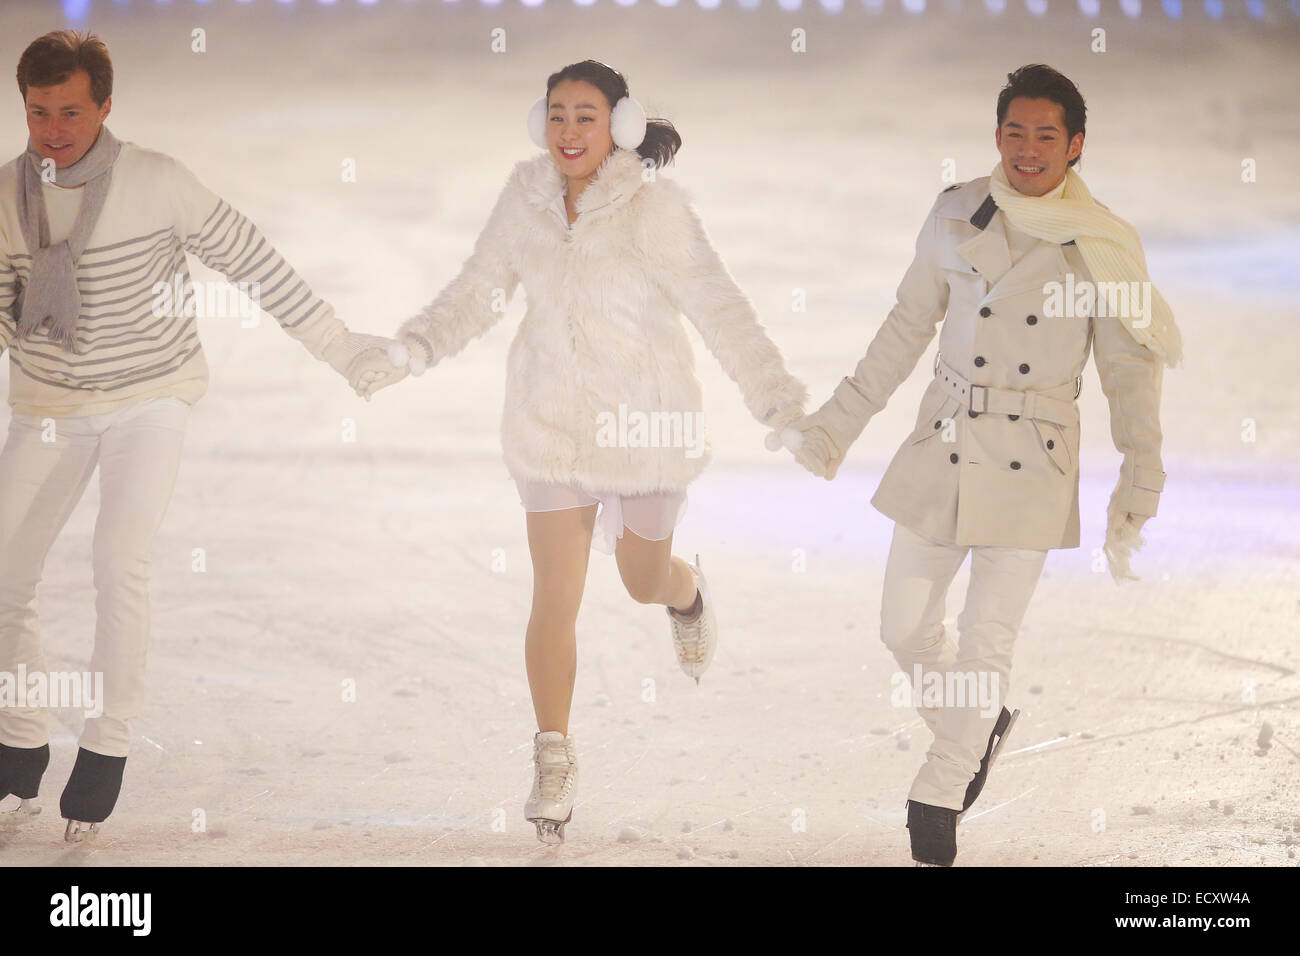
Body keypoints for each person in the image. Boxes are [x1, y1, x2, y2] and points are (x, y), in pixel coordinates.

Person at [360, 60, 808, 844]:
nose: (570, 132)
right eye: (558, 116)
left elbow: (720, 306)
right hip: (549, 427)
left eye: (586, 117)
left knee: (640, 580)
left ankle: (685, 591)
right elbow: (477, 289)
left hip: (644, 432)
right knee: (553, 598)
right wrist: (416, 347)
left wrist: (777, 399)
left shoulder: (653, 212)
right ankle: (554, 755)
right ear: (543, 125)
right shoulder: (525, 200)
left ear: (620, 127)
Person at [0, 31, 402, 843]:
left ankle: (107, 749)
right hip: (50, 404)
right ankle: (17, 746)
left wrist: (341, 345)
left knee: (118, 557)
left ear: (105, 107)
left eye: (70, 111)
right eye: (38, 111)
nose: (53, 128)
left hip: (151, 399)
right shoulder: (5, 196)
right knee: (4, 573)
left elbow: (257, 263)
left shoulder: (157, 182)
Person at [786, 64, 1178, 866]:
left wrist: (1139, 478)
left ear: (1075, 144)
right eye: (1014, 132)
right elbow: (904, 330)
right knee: (903, 628)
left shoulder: (1104, 241)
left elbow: (1130, 372)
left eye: (1045, 135)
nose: (1027, 149)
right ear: (996, 135)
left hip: (1034, 460)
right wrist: (832, 428)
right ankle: (980, 726)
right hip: (945, 442)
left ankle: (938, 795)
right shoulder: (955, 213)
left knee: (984, 644)